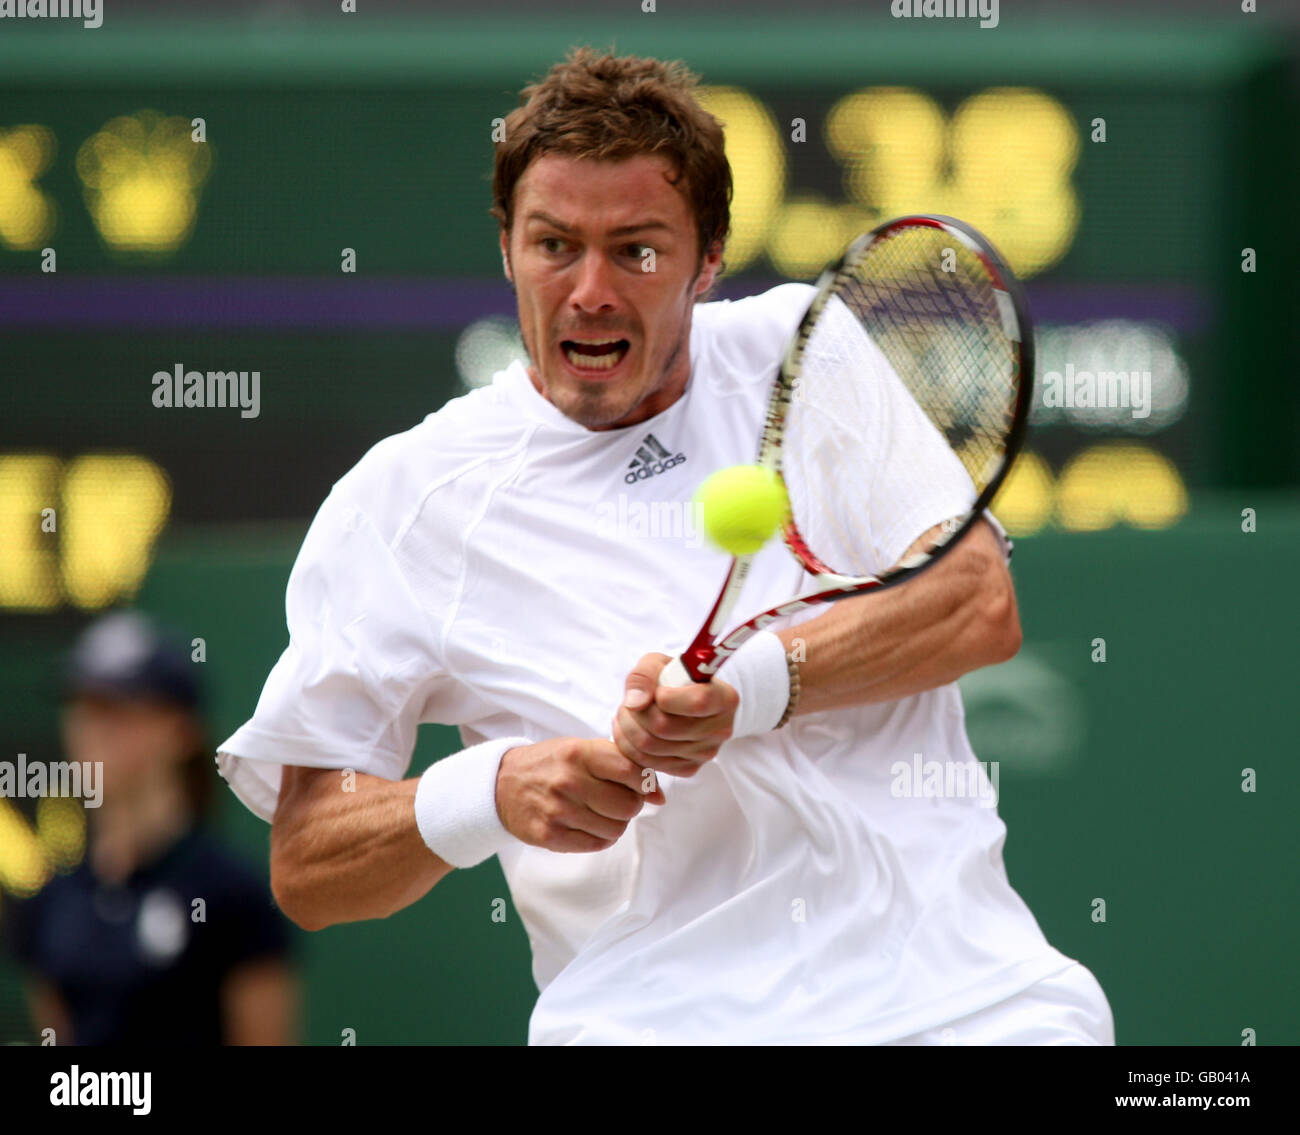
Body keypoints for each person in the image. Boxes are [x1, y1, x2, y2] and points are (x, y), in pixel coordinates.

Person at [216, 47, 1113, 1045]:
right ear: (506, 248)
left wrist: (746, 692)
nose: (591, 290)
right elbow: (307, 866)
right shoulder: (407, 498)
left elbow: (974, 603)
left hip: (964, 1004)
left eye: (636, 250)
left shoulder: (800, 349)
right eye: (555, 244)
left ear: (709, 257)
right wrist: (495, 790)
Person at [5, 610, 297, 1045]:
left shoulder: (234, 898)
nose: (93, 730)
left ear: (179, 730)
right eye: (82, 709)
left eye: (116, 709)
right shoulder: (51, 903)